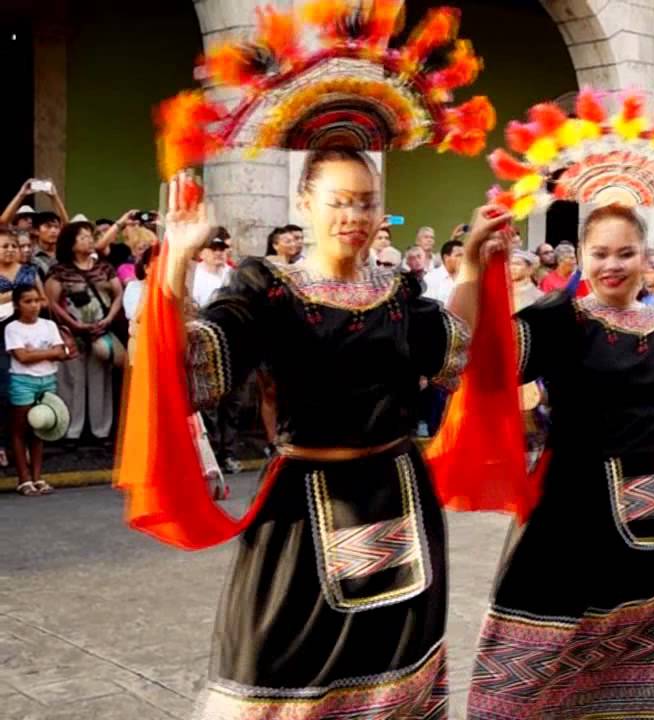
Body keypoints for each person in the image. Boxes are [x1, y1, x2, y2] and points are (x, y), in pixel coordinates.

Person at [156, 152, 493, 718]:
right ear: (304, 204)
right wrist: (177, 264)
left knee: (394, 663)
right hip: (300, 508)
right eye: (338, 201)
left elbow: (451, 349)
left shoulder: (400, 290)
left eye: (366, 202)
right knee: (272, 662)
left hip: (400, 501)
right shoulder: (268, 288)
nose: (353, 215)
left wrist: (476, 259)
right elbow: (196, 363)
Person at [467, 202, 654, 717]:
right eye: (600, 253)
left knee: (647, 624)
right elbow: (487, 354)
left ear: (645, 257)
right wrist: (478, 267)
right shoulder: (558, 318)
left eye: (625, 252)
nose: (613, 264)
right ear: (582, 255)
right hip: (570, 501)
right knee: (545, 625)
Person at [44, 220, 123, 444]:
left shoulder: (105, 267)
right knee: (72, 380)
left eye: (90, 236)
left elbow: (118, 293)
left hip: (101, 329)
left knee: (101, 380)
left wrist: (108, 319)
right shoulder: (59, 270)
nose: (89, 240)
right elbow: (52, 302)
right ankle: (71, 431)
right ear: (70, 244)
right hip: (72, 332)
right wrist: (73, 324)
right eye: (83, 237)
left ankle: (100, 430)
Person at [7, 283, 73, 496]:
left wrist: (37, 353)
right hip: (23, 381)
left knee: (41, 427)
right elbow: (22, 358)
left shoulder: (48, 325)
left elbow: (63, 353)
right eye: (28, 302)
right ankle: (23, 478)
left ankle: (37, 477)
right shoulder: (13, 328)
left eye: (37, 301)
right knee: (20, 429)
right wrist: (50, 352)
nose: (34, 306)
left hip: (47, 380)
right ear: (17, 305)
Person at [0, 226, 45, 314]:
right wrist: (24, 296)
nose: (10, 249)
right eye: (5, 246)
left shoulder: (30, 271)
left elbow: (43, 299)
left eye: (14, 246)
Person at [1, 179, 68, 228]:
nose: (30, 221)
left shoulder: (39, 236)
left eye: (32, 218)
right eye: (25, 219)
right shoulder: (11, 236)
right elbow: (2, 223)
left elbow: (66, 226)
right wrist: (21, 194)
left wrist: (54, 196)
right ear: (16, 222)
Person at [191, 231, 232, 308]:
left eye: (221, 248)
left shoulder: (232, 273)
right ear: (201, 253)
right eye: (213, 249)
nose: (218, 253)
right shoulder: (194, 276)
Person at [426, 239, 463, 303]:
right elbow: (429, 308)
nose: (463, 259)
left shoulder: (466, 276)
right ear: (446, 258)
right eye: (458, 255)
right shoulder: (431, 278)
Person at [29, 212, 61, 279]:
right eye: (48, 226)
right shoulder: (30, 255)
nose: (53, 230)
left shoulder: (65, 253)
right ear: (36, 231)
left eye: (56, 227)